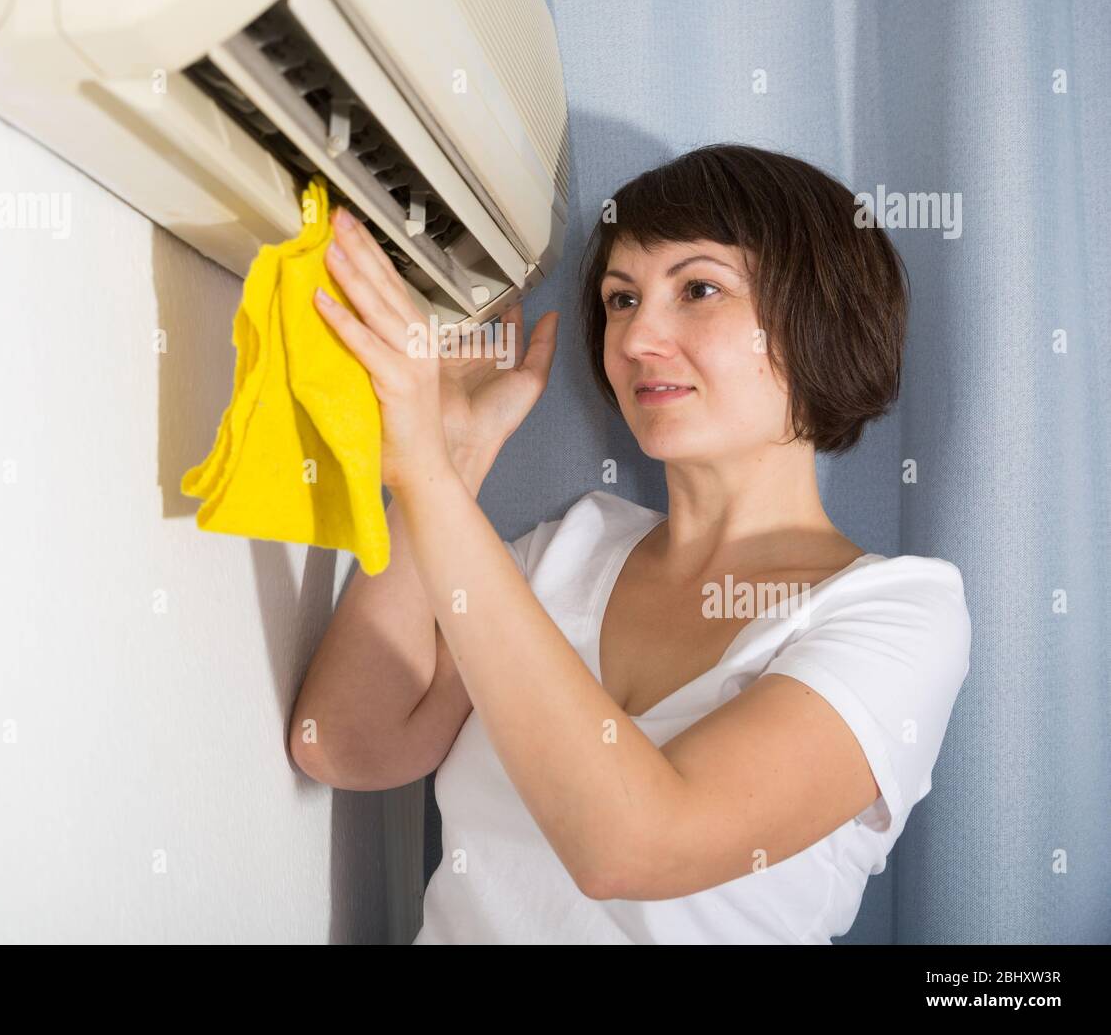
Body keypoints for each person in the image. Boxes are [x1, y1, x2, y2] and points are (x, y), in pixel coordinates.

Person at [291, 142, 971, 945]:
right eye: (620, 299)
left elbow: (638, 845)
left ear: (817, 316)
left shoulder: (900, 615)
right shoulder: (566, 549)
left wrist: (429, 475)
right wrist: (452, 457)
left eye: (698, 288)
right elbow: (342, 744)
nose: (639, 337)